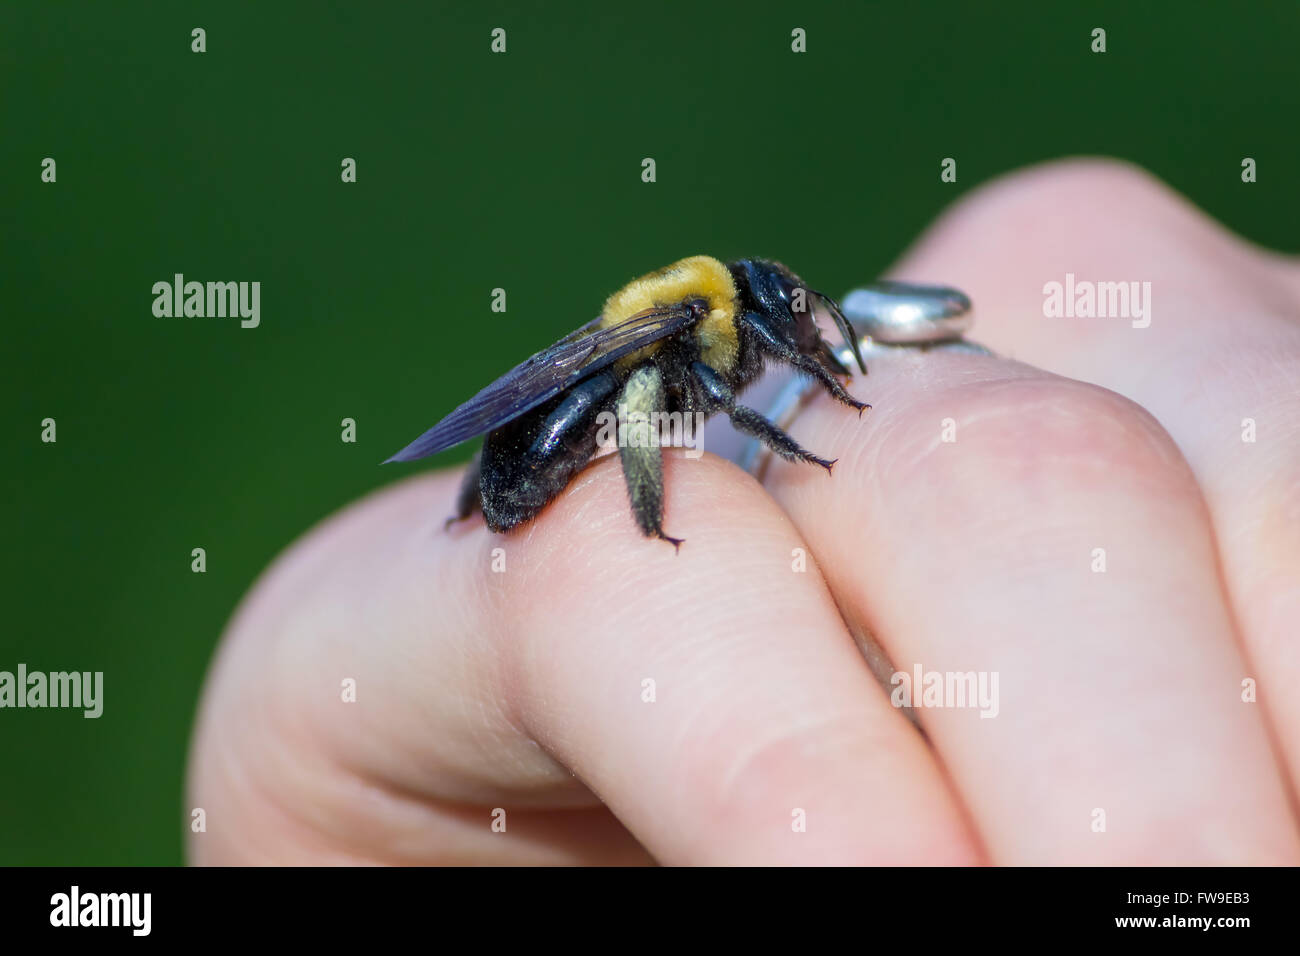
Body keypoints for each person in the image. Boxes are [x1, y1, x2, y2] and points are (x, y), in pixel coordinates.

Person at [186, 159, 1300, 865]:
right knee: (624, 394)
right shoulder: (678, 343)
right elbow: (620, 400)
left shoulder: (703, 331)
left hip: (523, 461)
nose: (786, 336)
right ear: (733, 314)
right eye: (781, 323)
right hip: (539, 460)